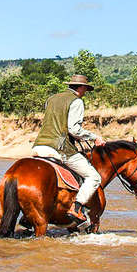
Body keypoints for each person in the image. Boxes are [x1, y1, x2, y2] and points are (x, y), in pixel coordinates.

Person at [33, 74, 102, 226]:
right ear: (81, 87)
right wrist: (94, 137)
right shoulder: (76, 101)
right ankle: (76, 208)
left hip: (39, 145)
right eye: (85, 89)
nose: (85, 92)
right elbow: (74, 129)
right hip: (60, 148)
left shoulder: (51, 99)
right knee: (94, 177)